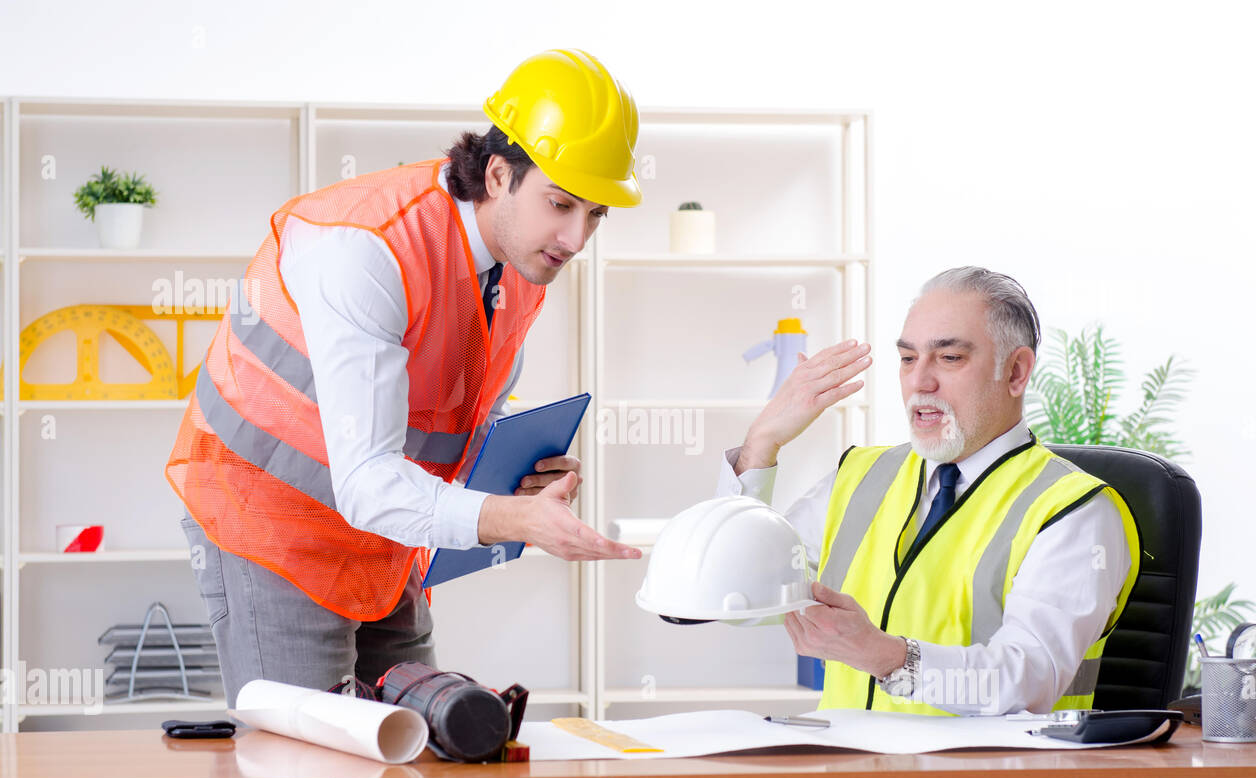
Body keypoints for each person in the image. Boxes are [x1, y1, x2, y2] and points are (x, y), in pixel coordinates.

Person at [166, 49, 642, 703]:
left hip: (384, 531)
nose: (576, 237)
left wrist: (515, 478)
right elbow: (366, 481)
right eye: (561, 203)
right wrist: (513, 519)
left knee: (424, 737)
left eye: (595, 215)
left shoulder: (522, 260)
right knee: (312, 760)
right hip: (276, 521)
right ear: (499, 174)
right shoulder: (367, 248)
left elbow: (446, 412)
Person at [718, 266, 1141, 715]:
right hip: (848, 773)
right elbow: (735, 594)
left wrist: (884, 656)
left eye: (949, 358)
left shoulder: (1073, 510)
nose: (920, 381)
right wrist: (761, 445)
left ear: (1016, 372)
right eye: (907, 358)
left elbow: (1029, 678)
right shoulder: (860, 476)